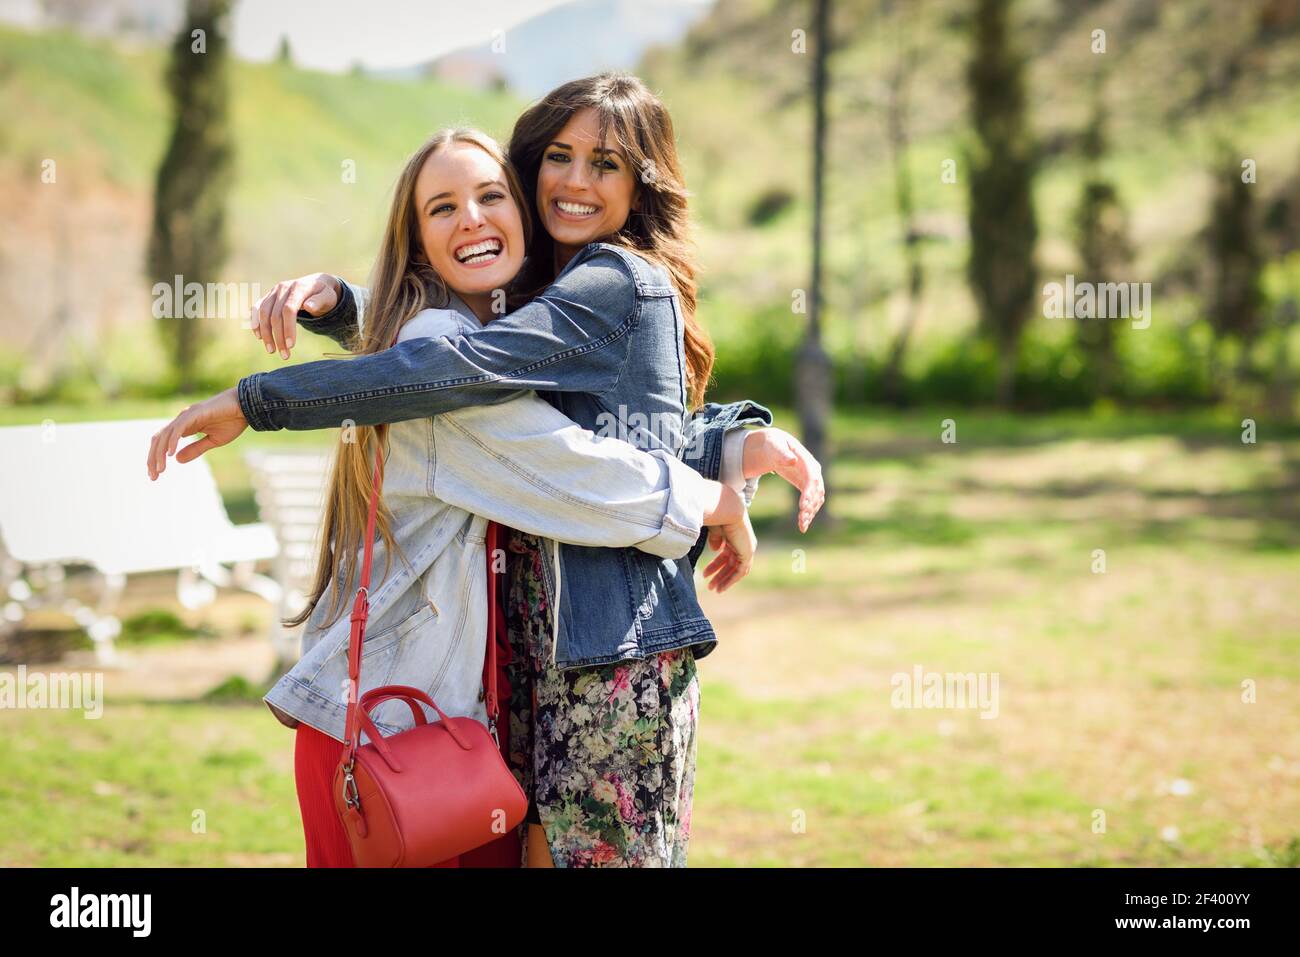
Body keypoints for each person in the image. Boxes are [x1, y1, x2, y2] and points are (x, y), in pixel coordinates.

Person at [147, 73, 824, 867]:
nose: (574, 181)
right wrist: (342, 308)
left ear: (641, 182)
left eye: (605, 163)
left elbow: (519, 411)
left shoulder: (610, 281)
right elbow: (458, 361)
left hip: (600, 666)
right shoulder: (541, 294)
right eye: (559, 157)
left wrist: (264, 395)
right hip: (500, 690)